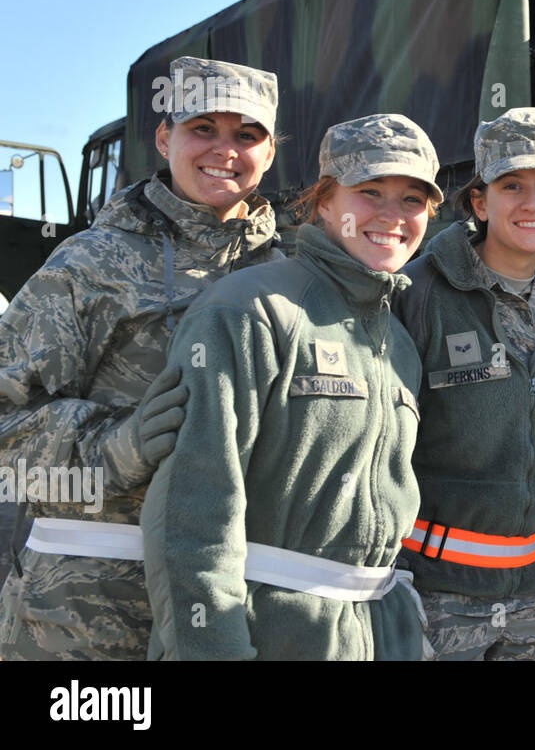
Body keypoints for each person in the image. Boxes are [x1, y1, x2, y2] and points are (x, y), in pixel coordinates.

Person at [0, 56, 280, 660]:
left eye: (246, 134)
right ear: (163, 137)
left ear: (271, 151)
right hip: (87, 612)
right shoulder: (91, 263)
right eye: (202, 128)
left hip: (235, 611)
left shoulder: (289, 274)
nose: (224, 150)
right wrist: (118, 445)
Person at [140, 113, 439, 660]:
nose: (392, 215)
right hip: (270, 636)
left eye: (412, 199)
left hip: (376, 633)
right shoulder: (250, 310)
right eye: (370, 191)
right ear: (323, 201)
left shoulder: (397, 339)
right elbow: (194, 514)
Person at [395, 107, 535, 660]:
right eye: (512, 186)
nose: (532, 203)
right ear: (480, 202)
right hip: (439, 596)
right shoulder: (417, 293)